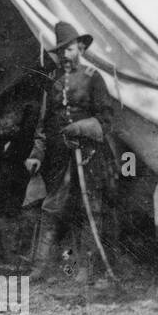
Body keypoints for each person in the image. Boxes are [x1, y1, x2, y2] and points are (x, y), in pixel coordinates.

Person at [24, 21, 117, 286]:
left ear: (81, 49)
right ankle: (40, 267)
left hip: (89, 156)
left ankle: (88, 269)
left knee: (90, 210)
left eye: (70, 50)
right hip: (59, 158)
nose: (65, 56)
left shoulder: (93, 78)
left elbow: (106, 120)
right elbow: (43, 126)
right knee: (51, 208)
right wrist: (36, 155)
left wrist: (81, 127)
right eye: (61, 51)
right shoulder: (53, 83)